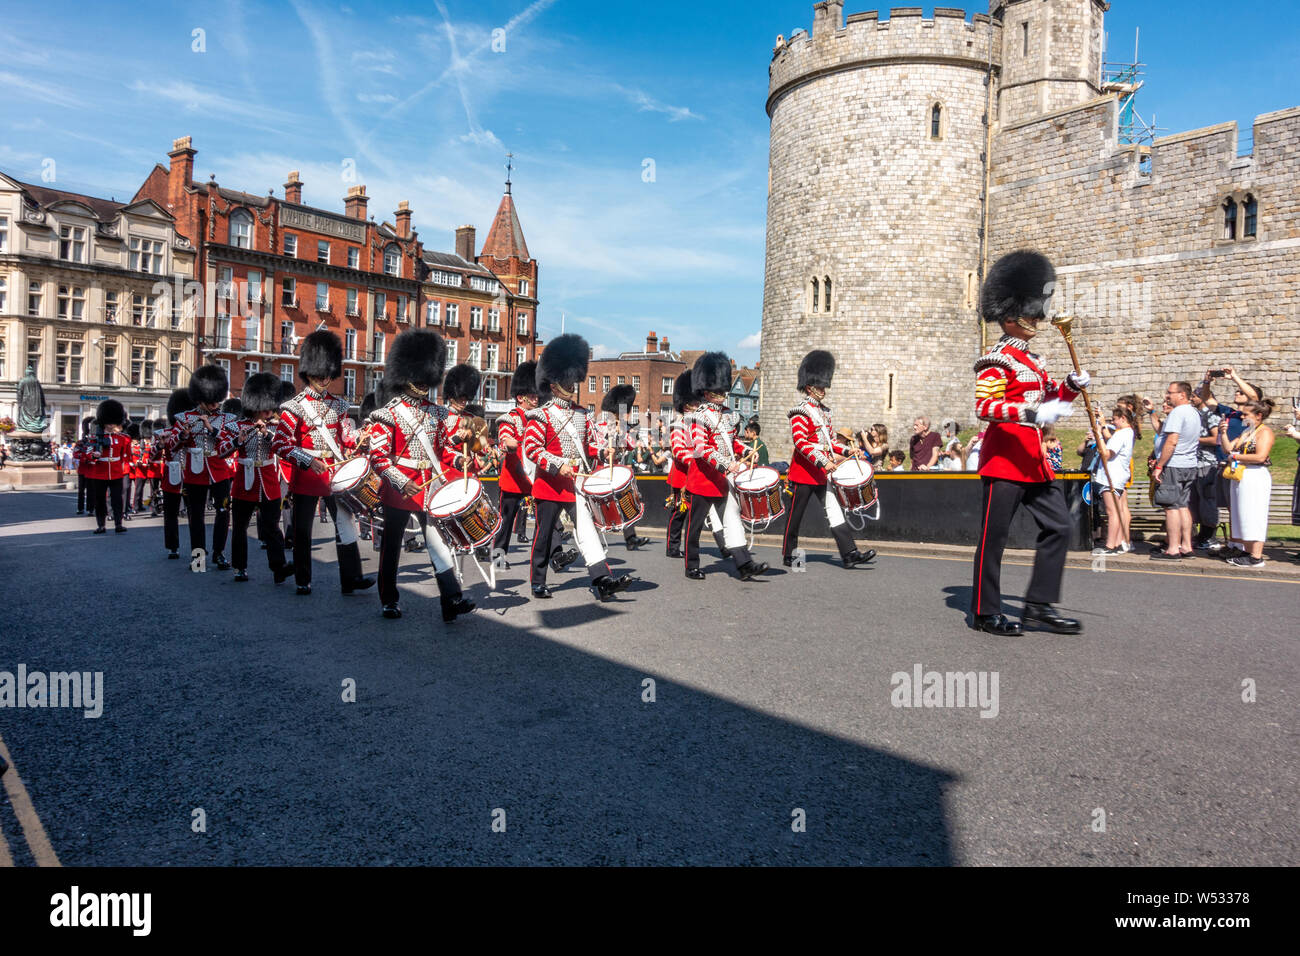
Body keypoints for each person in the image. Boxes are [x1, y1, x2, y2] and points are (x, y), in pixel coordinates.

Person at [969, 249, 1088, 636]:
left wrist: (1069, 388)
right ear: (1009, 316)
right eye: (1029, 312)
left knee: (1060, 528)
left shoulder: (1034, 361)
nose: (1037, 318)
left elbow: (1051, 403)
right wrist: (1026, 412)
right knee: (994, 538)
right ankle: (985, 612)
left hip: (1034, 460)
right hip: (1004, 459)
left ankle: (1038, 605)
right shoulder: (995, 359)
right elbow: (984, 406)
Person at [366, 328, 475, 622]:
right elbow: (377, 457)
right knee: (391, 547)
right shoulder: (386, 413)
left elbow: (442, 453)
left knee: (438, 542)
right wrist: (402, 482)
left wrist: (458, 455)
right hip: (401, 487)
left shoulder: (438, 413)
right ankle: (389, 599)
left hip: (431, 486)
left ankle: (450, 599)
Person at [522, 334, 634, 600]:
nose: (572, 385)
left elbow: (590, 446)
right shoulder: (541, 414)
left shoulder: (583, 414)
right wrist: (558, 465)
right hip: (549, 485)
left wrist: (603, 450)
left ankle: (601, 578)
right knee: (544, 535)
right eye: (567, 380)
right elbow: (532, 449)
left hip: (577, 483)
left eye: (573, 379)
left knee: (587, 530)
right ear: (554, 382)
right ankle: (538, 581)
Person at [273, 330, 373, 596]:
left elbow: (346, 438)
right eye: (319, 375)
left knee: (345, 524)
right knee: (304, 531)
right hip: (307, 475)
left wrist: (361, 437)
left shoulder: (338, 405)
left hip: (335, 473)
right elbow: (281, 444)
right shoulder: (293, 407)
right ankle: (303, 579)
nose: (325, 379)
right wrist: (307, 460)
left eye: (328, 374)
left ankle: (351, 577)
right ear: (309, 373)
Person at [781, 349, 876, 570]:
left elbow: (830, 441)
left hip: (823, 472)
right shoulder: (800, 412)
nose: (823, 390)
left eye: (824, 386)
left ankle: (849, 553)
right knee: (796, 517)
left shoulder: (825, 412)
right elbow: (801, 443)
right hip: (804, 473)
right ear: (809, 386)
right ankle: (789, 554)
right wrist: (823, 461)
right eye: (819, 386)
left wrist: (849, 451)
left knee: (834, 510)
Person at [682, 351, 768, 582]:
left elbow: (732, 442)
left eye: (722, 389)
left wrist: (747, 451)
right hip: (703, 478)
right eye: (718, 390)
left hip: (723, 477)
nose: (722, 394)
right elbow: (701, 449)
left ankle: (744, 564)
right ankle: (692, 565)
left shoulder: (728, 414)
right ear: (706, 390)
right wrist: (726, 465)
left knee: (732, 518)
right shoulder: (697, 416)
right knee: (696, 525)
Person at [167, 365, 238, 568]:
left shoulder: (227, 419)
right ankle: (198, 557)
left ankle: (219, 552)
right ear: (200, 398)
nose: (215, 404)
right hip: (194, 473)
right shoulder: (184, 418)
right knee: (195, 516)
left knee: (223, 511)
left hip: (219, 471)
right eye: (210, 400)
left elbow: (231, 445)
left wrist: (211, 429)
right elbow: (172, 446)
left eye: (216, 399)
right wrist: (183, 436)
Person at [229, 372, 294, 584]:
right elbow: (221, 451)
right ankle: (240, 567)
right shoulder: (236, 427)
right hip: (244, 482)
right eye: (265, 406)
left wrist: (267, 434)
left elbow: (284, 448)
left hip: (268, 481)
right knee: (239, 527)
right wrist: (237, 442)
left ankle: (279, 568)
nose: (269, 411)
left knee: (272, 528)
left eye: (270, 406)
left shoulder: (275, 427)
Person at [1218, 399, 1275, 568]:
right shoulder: (1248, 431)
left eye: (1246, 414)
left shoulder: (1264, 432)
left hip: (1256, 475)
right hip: (1242, 475)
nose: (1242, 416)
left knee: (1254, 514)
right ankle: (1247, 550)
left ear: (1258, 415)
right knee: (1241, 514)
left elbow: (1260, 456)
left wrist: (1235, 457)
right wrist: (1223, 433)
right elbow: (1228, 449)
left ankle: (1256, 556)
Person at [593, 383, 651, 550]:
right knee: (597, 507)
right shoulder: (601, 425)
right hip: (601, 469)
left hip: (617, 468)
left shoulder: (622, 427)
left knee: (626, 500)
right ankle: (592, 538)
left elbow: (631, 445)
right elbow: (599, 443)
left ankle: (631, 538)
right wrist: (613, 432)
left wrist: (622, 432)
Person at [493, 361, 539, 560]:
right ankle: (498, 558)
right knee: (505, 521)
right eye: (532, 395)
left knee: (547, 520)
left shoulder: (538, 418)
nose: (536, 399)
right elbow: (505, 440)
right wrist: (515, 443)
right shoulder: (510, 417)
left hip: (533, 479)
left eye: (537, 395)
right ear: (521, 397)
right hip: (513, 479)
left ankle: (554, 555)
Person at [1150, 382, 1201, 560]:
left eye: (1170, 393)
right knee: (1182, 506)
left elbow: (1171, 441)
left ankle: (1173, 548)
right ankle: (1186, 546)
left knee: (1171, 507)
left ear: (1182, 395)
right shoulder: (1194, 412)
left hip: (1174, 464)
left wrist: (1159, 465)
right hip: (1189, 464)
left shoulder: (1178, 413)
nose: (1167, 396)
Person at [1091, 406, 1136, 554]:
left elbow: (1106, 454)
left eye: (1114, 420)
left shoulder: (1122, 434)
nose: (1113, 422)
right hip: (1117, 476)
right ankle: (1116, 543)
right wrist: (1101, 423)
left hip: (1112, 477)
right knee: (1115, 511)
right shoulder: (1127, 433)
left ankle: (1111, 545)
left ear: (1123, 418)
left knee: (1112, 512)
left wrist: (1097, 435)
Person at [86, 399, 131, 534]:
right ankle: (101, 525)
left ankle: (118, 523)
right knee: (100, 500)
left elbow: (126, 455)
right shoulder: (95, 438)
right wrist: (94, 455)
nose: (111, 425)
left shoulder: (123, 438)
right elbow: (88, 454)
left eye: (113, 422)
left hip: (116, 472)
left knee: (117, 499)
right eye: (109, 422)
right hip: (100, 472)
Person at [1189, 381, 1224, 549]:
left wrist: (1194, 440)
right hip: (1195, 463)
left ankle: (1210, 537)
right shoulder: (1196, 415)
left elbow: (1216, 438)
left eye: (1194, 397)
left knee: (1208, 501)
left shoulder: (1211, 416)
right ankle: (1201, 535)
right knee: (1197, 502)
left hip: (1208, 464)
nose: (1191, 399)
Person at [156, 395, 191, 559]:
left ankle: (197, 546)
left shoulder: (193, 432)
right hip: (171, 475)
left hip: (191, 475)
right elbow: (154, 455)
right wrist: (160, 445)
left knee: (194, 514)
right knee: (170, 514)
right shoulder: (166, 433)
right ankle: (172, 546)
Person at [73, 416, 94, 514]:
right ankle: (80, 508)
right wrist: (85, 457)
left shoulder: (94, 442)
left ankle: (90, 509)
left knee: (91, 491)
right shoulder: (80, 443)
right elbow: (76, 454)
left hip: (91, 469)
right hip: (83, 469)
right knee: (81, 491)